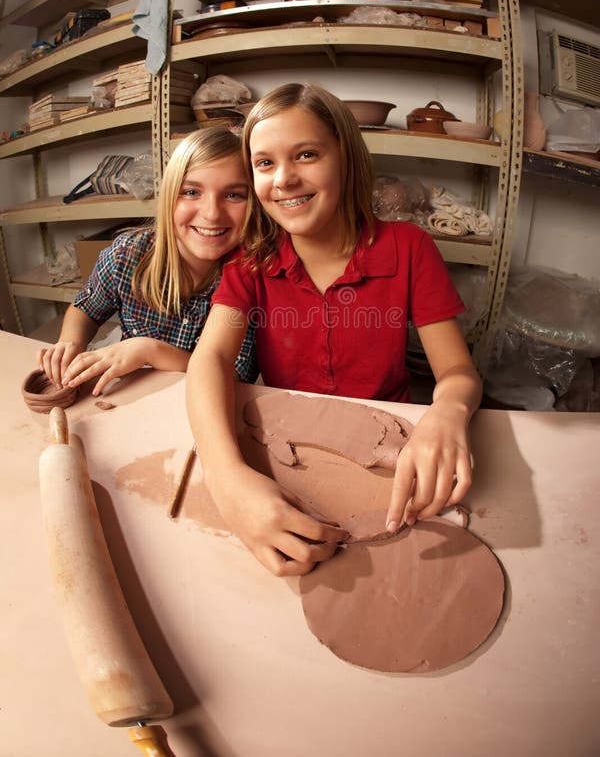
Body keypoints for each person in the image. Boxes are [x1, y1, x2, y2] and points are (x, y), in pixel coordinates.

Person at [186, 82, 482, 577]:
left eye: (306, 155)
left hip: (387, 448)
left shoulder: (409, 248)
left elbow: (457, 371)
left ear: (346, 156)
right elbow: (210, 358)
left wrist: (449, 409)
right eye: (264, 163)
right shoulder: (250, 261)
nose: (285, 179)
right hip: (291, 444)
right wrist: (226, 475)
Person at [38, 127, 257, 396]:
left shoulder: (253, 276)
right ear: (168, 197)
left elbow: (233, 376)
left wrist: (149, 350)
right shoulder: (127, 254)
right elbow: (85, 309)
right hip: (133, 397)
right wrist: (70, 341)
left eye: (233, 195)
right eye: (191, 192)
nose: (212, 213)